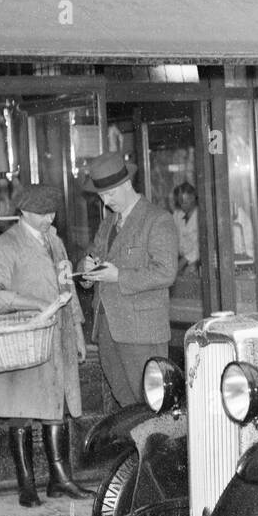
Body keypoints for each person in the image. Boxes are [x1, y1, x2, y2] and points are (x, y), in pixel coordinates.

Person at [0, 184, 88, 507]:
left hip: (60, 337)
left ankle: (60, 479)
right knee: (21, 410)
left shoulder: (54, 241)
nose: (49, 218)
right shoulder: (5, 245)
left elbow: (67, 285)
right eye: (42, 213)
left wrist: (79, 331)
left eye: (52, 212)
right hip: (24, 340)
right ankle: (26, 485)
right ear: (24, 212)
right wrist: (35, 304)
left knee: (57, 405)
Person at [78, 151, 178, 407]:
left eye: (110, 193)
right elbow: (92, 254)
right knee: (126, 405)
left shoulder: (157, 219)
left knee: (150, 404)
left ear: (126, 184)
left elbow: (166, 271)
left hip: (141, 332)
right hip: (108, 329)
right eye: (101, 195)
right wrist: (86, 269)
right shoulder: (108, 223)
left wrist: (118, 276)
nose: (106, 200)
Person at [172, 181, 199, 272]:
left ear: (193, 198)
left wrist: (185, 261)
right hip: (180, 259)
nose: (182, 205)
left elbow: (200, 246)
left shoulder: (201, 216)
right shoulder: (177, 214)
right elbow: (172, 237)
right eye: (180, 202)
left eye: (185, 202)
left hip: (196, 261)